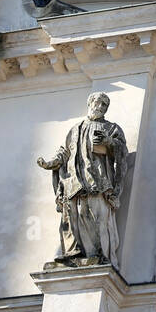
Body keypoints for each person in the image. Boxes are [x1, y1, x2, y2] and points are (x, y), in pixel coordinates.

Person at [37, 92, 129, 267]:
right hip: (74, 181)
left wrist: (109, 142)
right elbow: (66, 152)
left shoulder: (112, 128)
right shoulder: (75, 128)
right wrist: (53, 162)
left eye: (105, 105)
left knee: (95, 215)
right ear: (90, 103)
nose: (101, 107)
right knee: (74, 215)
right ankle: (73, 253)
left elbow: (122, 152)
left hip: (98, 181)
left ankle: (98, 255)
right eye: (98, 102)